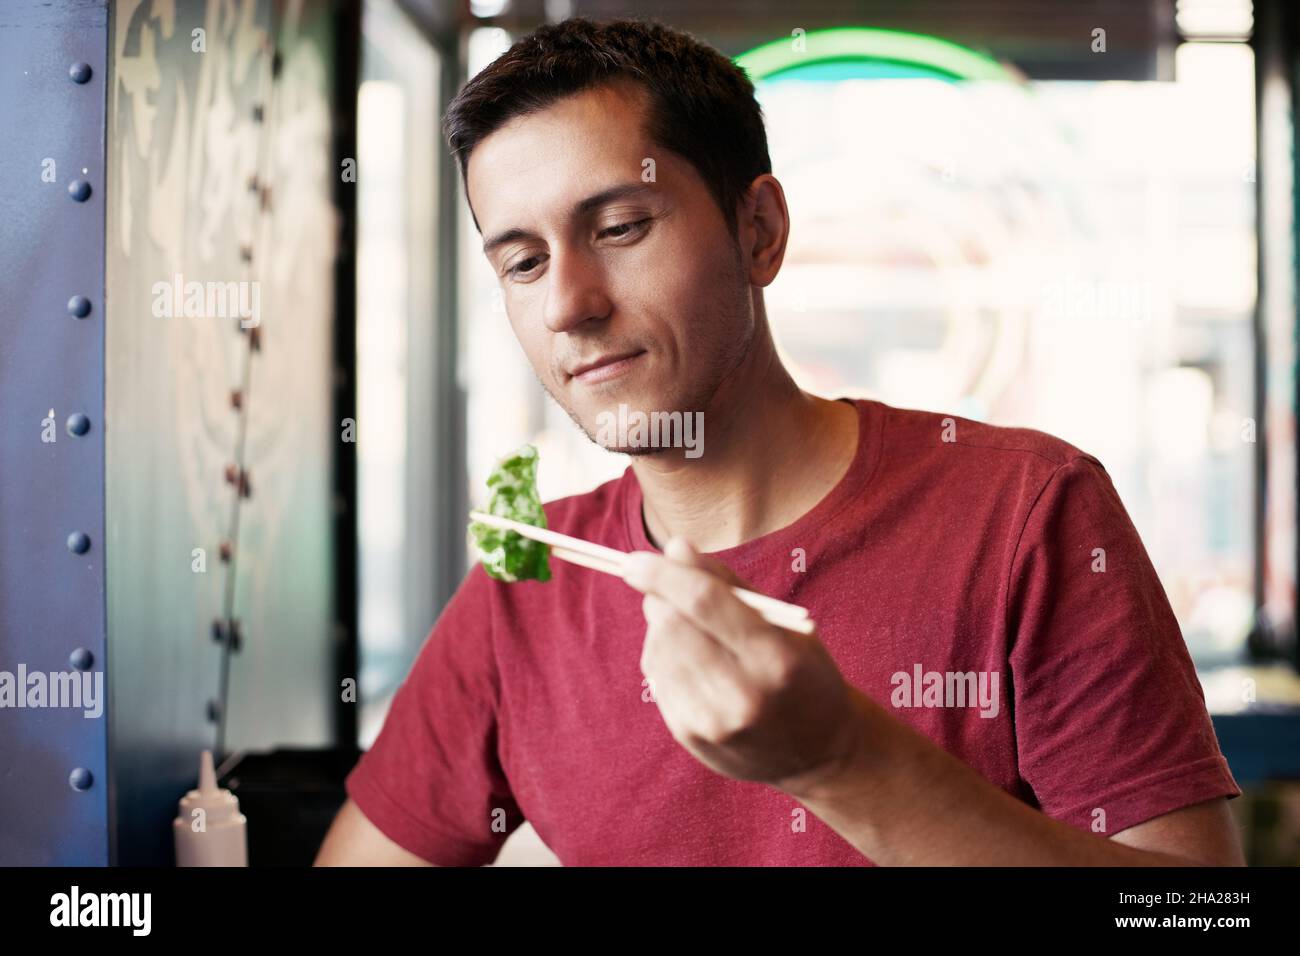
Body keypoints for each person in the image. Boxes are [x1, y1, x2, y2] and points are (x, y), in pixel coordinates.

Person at [316, 17, 1243, 866]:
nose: (567, 305)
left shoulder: (1027, 513)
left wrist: (840, 760)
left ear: (758, 232)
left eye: (622, 227)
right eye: (523, 261)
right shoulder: (529, 582)